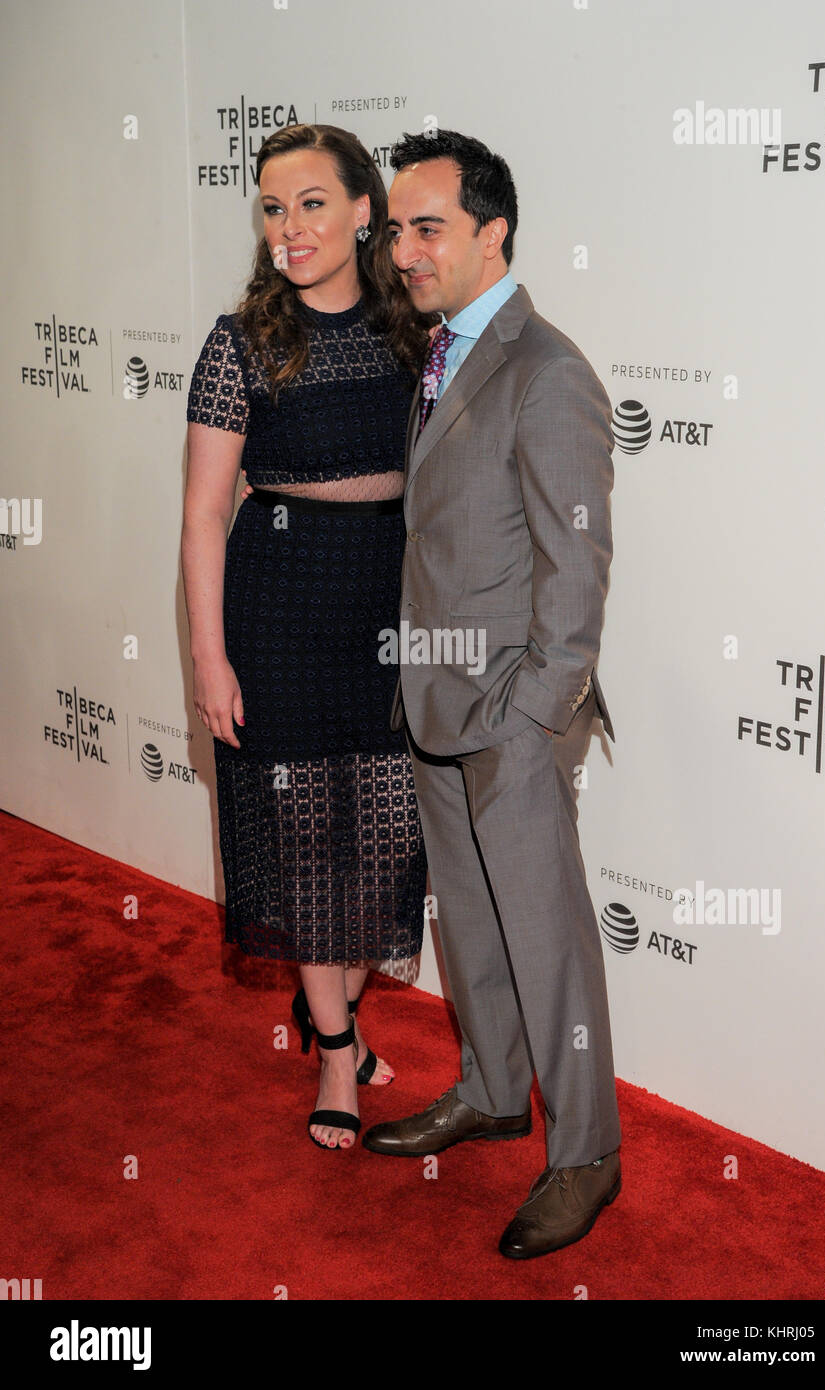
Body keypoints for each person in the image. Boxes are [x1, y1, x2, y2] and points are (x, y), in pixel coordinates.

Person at [362, 130, 622, 1258]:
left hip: (512, 713)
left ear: (491, 233)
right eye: (395, 231)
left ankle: (587, 1154)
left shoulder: (547, 372)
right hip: (435, 697)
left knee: (546, 935)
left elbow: (579, 566)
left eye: (427, 229)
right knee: (469, 923)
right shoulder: (437, 354)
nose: (402, 252)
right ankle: (492, 1088)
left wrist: (534, 709)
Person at [181, 123, 431, 1153]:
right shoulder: (240, 340)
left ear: (364, 209)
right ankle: (335, 1051)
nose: (291, 228)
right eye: (274, 209)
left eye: (313, 204)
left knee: (385, 842)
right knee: (306, 846)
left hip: (390, 601)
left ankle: (333, 1009)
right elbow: (202, 511)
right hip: (277, 599)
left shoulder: (417, 330)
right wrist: (208, 653)